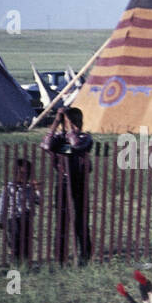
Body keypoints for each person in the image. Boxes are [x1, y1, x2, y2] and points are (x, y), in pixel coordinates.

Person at [41, 106, 93, 264]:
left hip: (79, 181)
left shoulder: (85, 137)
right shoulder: (59, 137)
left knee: (81, 221)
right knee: (62, 221)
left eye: (71, 120)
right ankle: (60, 258)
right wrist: (56, 121)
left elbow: (76, 145)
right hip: (63, 182)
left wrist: (71, 128)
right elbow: (46, 145)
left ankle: (84, 256)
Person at [0, 158, 41, 264]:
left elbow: (39, 201)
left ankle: (25, 261)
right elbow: (2, 204)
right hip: (14, 217)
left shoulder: (30, 188)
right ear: (16, 173)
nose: (25, 176)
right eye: (22, 173)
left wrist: (37, 190)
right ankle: (14, 260)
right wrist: (1, 219)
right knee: (15, 238)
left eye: (28, 173)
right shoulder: (9, 187)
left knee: (26, 239)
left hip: (27, 218)